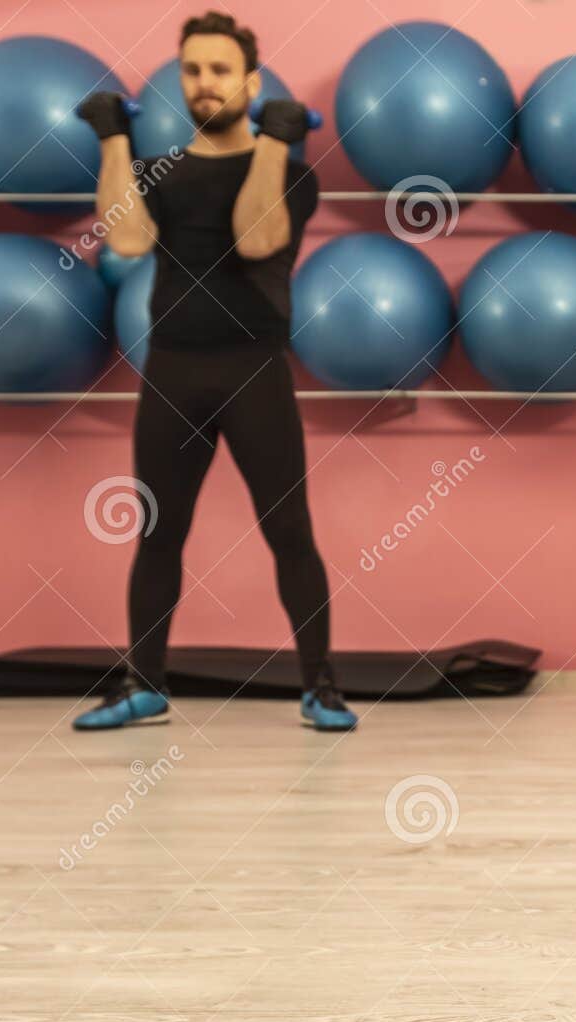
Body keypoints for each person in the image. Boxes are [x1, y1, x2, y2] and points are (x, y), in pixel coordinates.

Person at [71, 10, 356, 733]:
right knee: (158, 532)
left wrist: (275, 137)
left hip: (252, 369)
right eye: (192, 70)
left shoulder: (290, 172)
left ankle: (320, 686)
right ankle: (145, 684)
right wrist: (112, 137)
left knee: (289, 530)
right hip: (172, 370)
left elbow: (257, 235)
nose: (204, 83)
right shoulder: (157, 171)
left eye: (220, 70)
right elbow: (127, 239)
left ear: (250, 82)